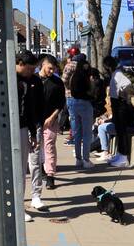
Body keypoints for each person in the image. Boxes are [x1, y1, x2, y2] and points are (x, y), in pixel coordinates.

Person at [15, 50, 43, 220]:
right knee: (15, 170)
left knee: (21, 171)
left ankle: (19, 206)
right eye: (30, 69)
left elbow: (31, 109)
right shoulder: (9, 79)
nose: (32, 72)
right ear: (20, 63)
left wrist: (33, 133)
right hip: (10, 128)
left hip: (24, 127)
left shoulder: (31, 81)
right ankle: (16, 207)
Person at [36, 54, 65, 189]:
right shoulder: (33, 80)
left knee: (49, 146)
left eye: (53, 69)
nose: (51, 71)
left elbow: (60, 103)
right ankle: (40, 169)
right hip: (35, 120)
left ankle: (50, 175)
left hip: (50, 120)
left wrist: (52, 117)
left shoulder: (57, 82)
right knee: (36, 147)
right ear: (43, 65)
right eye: (49, 68)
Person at [63, 53, 95, 169]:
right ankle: (86, 159)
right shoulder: (85, 69)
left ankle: (78, 159)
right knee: (87, 133)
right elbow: (91, 88)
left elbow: (64, 80)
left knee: (76, 132)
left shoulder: (69, 66)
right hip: (84, 102)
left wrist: (70, 89)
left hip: (71, 99)